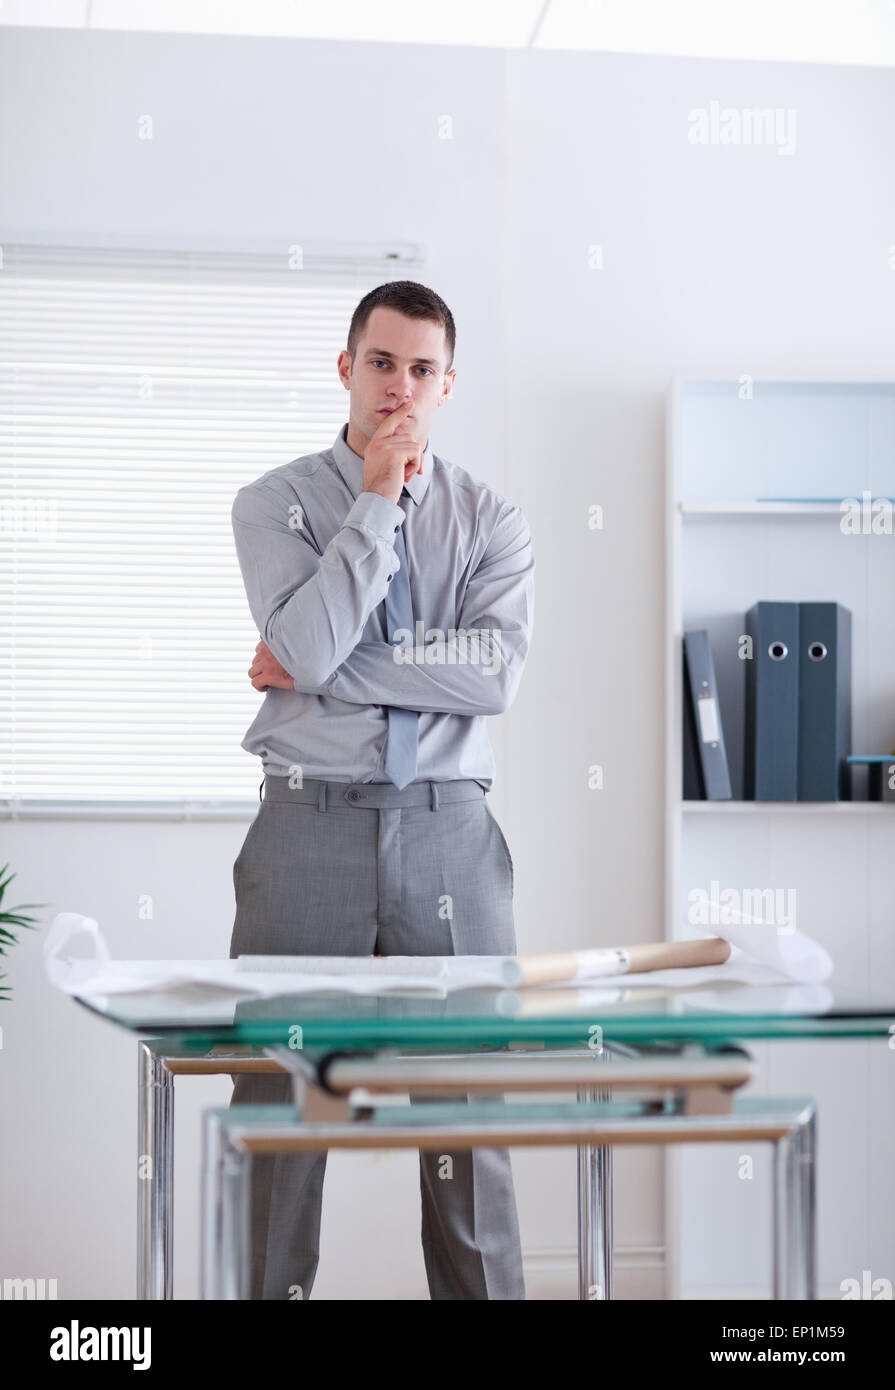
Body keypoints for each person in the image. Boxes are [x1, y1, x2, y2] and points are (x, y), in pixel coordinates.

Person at [228, 279, 535, 1300]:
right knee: (280, 1113)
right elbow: (310, 639)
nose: (398, 386)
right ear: (345, 367)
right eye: (380, 362)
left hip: (449, 828)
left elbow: (490, 674)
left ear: (447, 384)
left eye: (420, 368)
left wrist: (322, 662)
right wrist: (372, 500)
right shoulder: (273, 502)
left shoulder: (492, 520)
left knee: (470, 1114)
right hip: (304, 825)